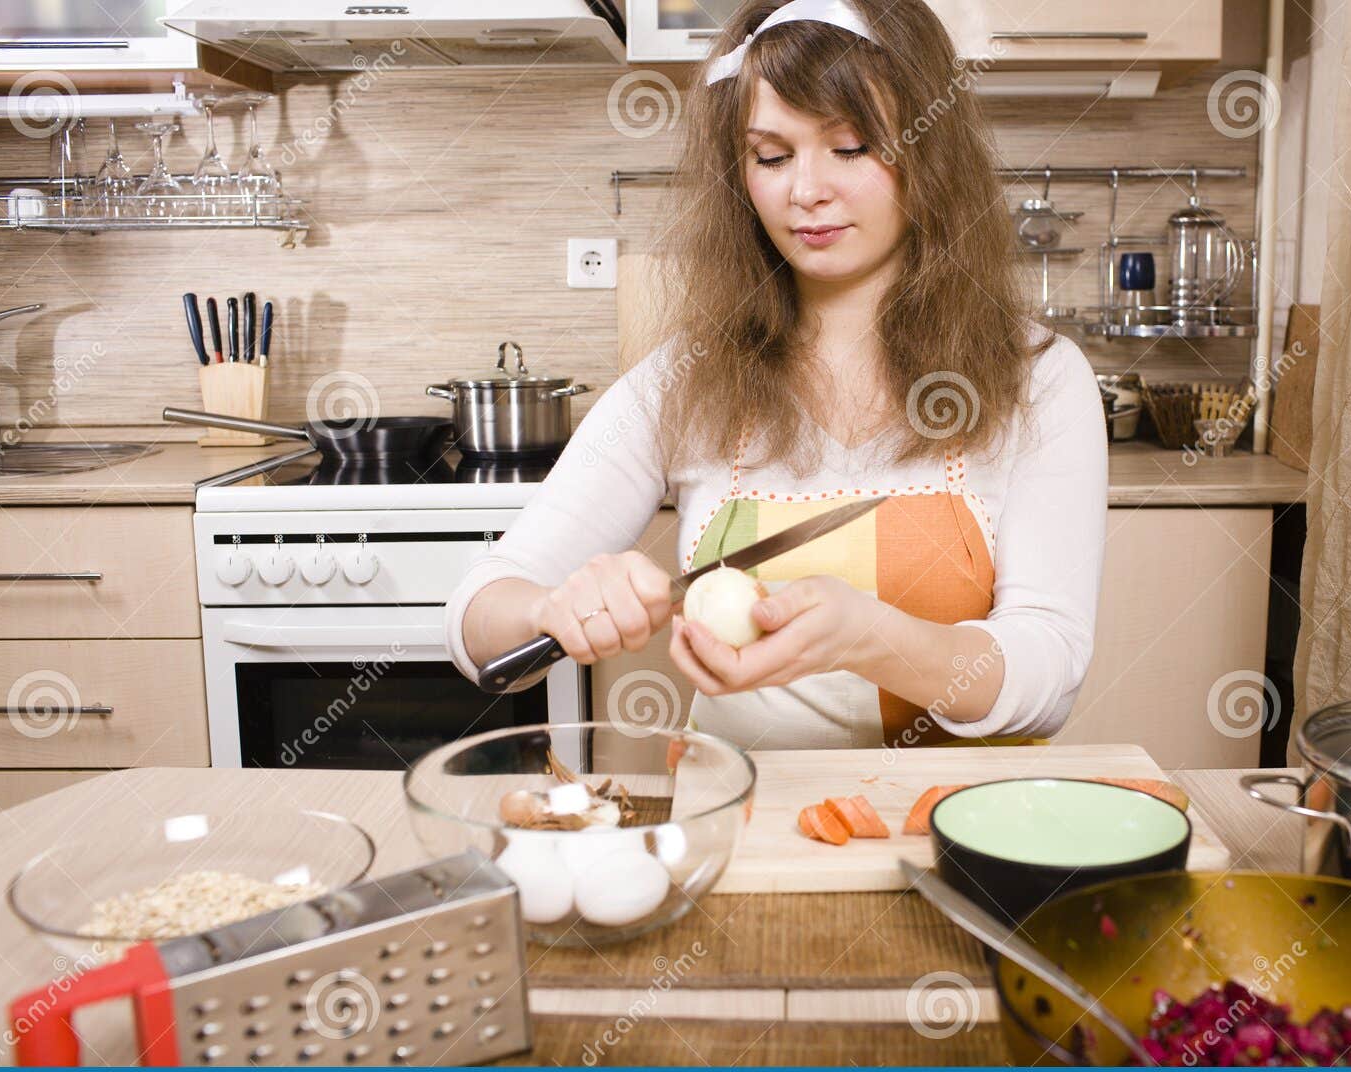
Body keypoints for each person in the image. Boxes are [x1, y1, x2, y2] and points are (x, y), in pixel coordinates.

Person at [446, 0, 1106, 752]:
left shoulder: (1040, 380)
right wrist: (547, 608)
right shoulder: (682, 380)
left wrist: (871, 637)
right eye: (771, 155)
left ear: (931, 152)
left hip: (964, 842)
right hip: (742, 829)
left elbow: (1049, 673)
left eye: (851, 147)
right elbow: (476, 618)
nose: (806, 190)